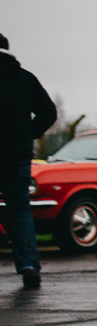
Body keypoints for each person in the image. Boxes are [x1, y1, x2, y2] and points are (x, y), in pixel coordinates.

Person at [0, 33, 57, 290]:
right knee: (19, 209)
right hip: (17, 154)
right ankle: (29, 266)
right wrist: (28, 134)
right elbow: (49, 111)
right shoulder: (24, 78)